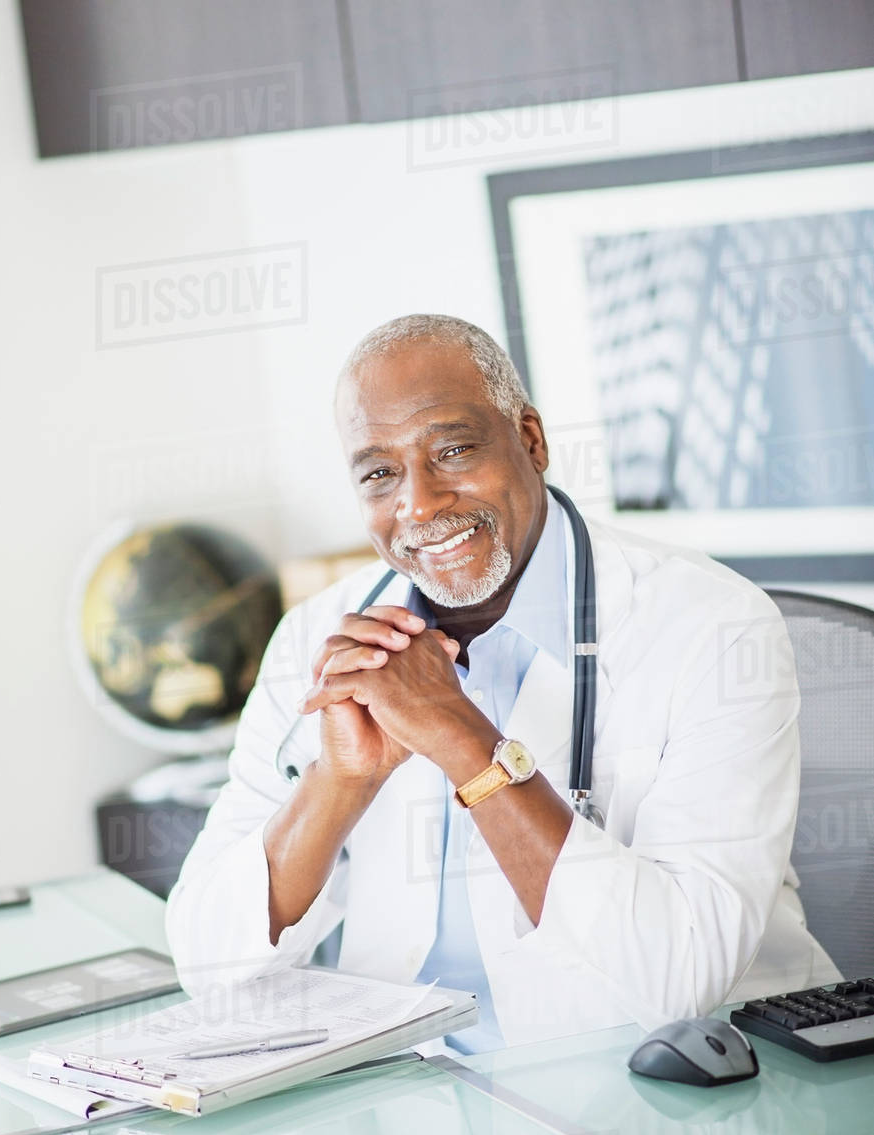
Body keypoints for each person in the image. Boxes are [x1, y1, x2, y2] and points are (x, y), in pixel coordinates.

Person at [167, 314, 835, 1048]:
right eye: (379, 474)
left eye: (451, 450)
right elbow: (209, 963)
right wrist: (339, 782)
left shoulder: (711, 625)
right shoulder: (315, 639)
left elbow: (676, 979)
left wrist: (466, 744)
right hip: (411, 1095)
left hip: (682, 1085)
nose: (418, 505)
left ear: (530, 440)